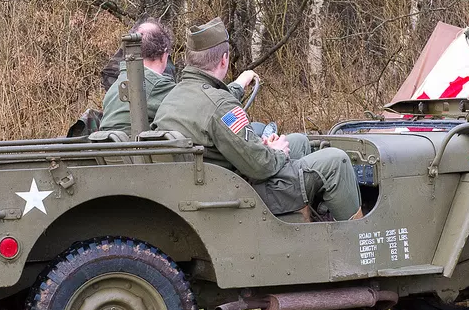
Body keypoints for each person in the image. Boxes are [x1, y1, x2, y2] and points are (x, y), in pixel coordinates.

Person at [153, 17, 363, 221]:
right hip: (238, 196)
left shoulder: (173, 97)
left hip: (204, 187)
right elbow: (260, 166)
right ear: (224, 59)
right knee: (337, 161)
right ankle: (356, 243)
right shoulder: (222, 106)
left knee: (298, 141)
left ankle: (304, 221)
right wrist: (276, 153)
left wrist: (266, 149)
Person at [99, 18, 253, 133]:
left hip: (116, 160)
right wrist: (239, 84)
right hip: (139, 164)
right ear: (164, 55)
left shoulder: (118, 84)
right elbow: (206, 104)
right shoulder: (154, 85)